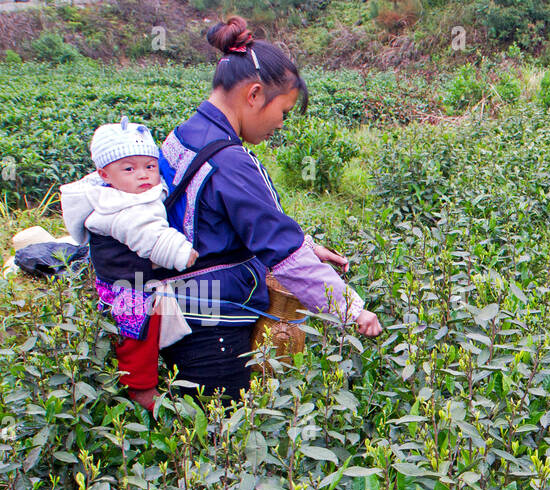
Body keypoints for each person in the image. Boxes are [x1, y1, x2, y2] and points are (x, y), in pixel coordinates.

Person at [151, 16, 381, 408]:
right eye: (284, 111)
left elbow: (224, 219)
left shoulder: (187, 132)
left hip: (181, 313)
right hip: (215, 328)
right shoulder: (230, 159)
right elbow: (283, 254)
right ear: (254, 94)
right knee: (221, 446)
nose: (281, 124)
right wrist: (352, 309)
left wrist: (306, 244)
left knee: (197, 438)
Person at [60, 118, 198, 411]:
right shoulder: (121, 208)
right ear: (104, 174)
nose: (143, 175)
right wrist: (183, 253)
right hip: (132, 292)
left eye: (150, 166)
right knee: (139, 341)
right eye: (129, 168)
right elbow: (150, 237)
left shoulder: (121, 195)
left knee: (139, 336)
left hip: (122, 282)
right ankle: (143, 395)